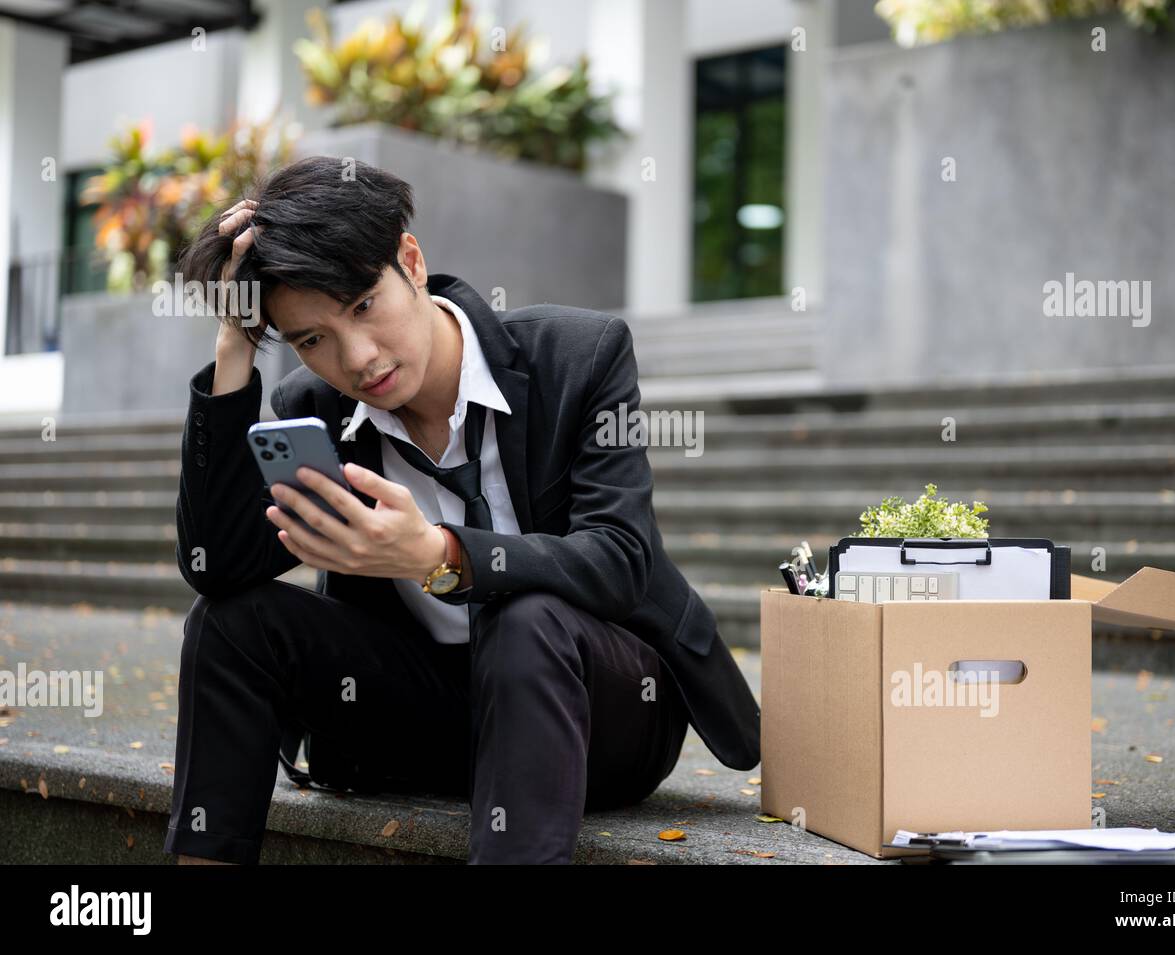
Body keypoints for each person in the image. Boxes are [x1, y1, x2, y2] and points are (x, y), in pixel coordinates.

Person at [163, 156, 760, 865]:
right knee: (229, 623)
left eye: (362, 306)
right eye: (311, 340)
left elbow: (620, 558)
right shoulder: (318, 412)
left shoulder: (577, 356)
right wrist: (236, 343)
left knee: (524, 613)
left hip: (604, 708)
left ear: (411, 261)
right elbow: (221, 565)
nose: (358, 358)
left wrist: (442, 555)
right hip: (438, 716)